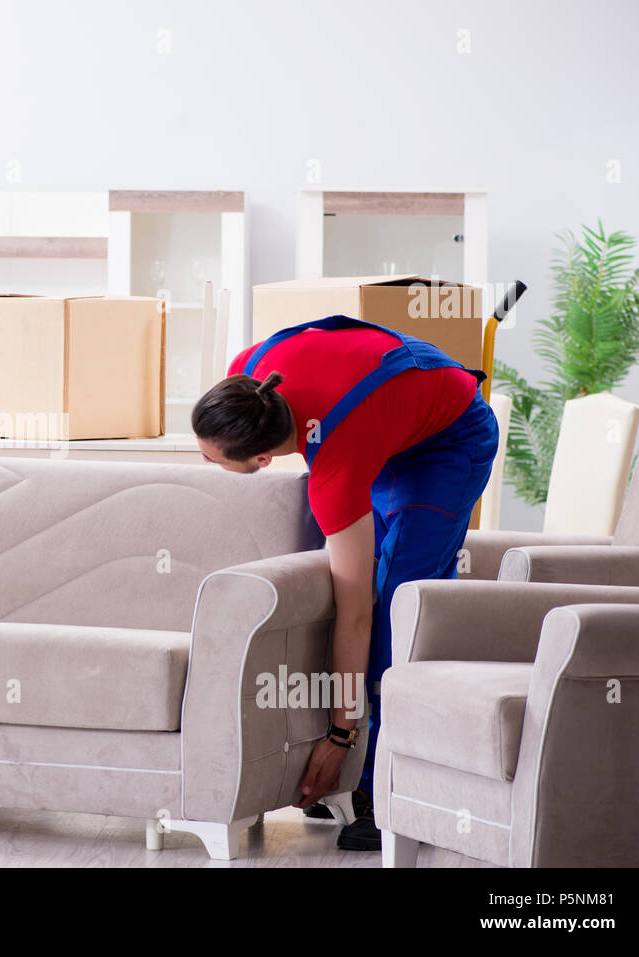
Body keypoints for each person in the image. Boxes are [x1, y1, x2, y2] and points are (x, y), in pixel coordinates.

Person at [191, 315, 498, 851]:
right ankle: (351, 767)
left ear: (264, 458)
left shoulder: (336, 461)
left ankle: (387, 790)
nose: (204, 461)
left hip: (449, 439)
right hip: (383, 425)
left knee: (394, 606)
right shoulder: (247, 377)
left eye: (213, 460)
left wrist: (340, 736)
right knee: (332, 585)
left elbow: (355, 614)